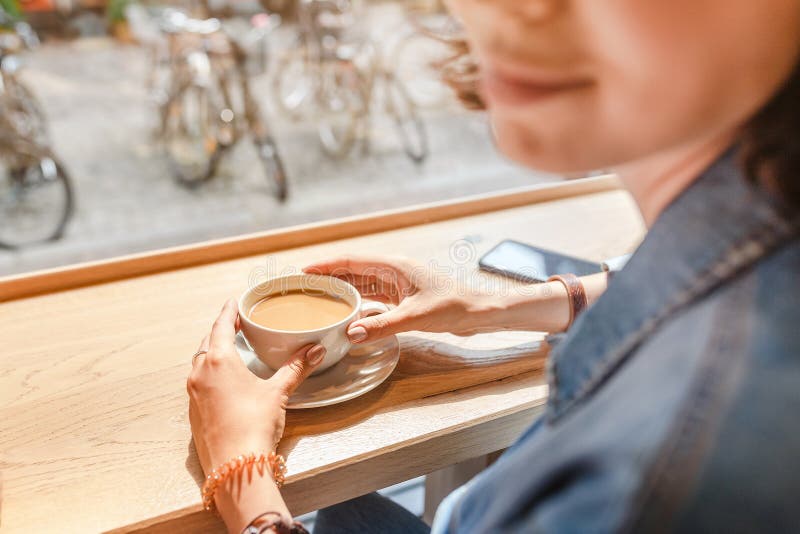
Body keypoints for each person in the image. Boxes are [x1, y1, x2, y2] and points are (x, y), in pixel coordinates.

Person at [187, 0, 800, 532]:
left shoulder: (653, 479)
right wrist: (490, 308)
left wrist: (248, 487)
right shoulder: (757, 228)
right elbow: (655, 279)